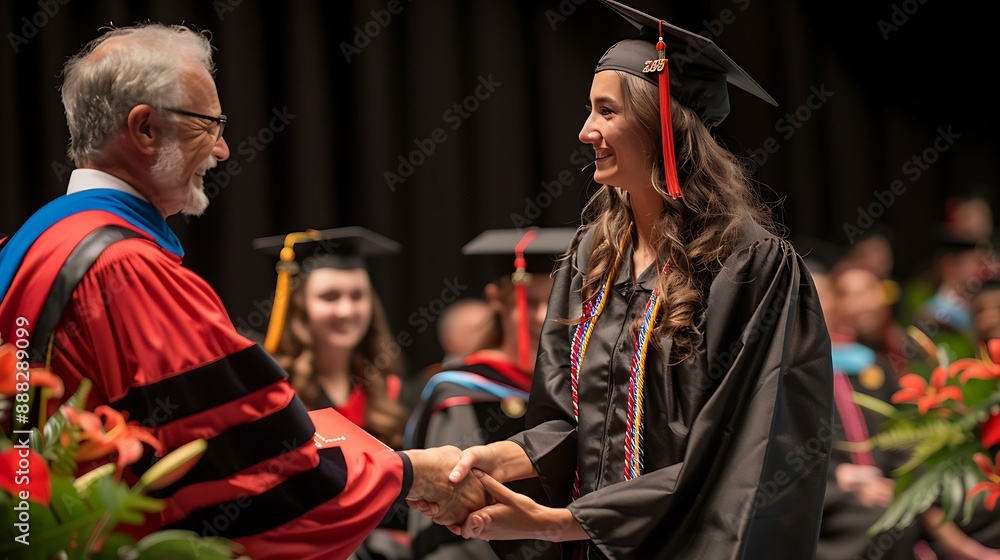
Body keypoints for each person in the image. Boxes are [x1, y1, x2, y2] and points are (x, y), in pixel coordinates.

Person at [0, 22, 485, 560]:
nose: (225, 150)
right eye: (208, 124)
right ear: (143, 130)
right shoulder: (126, 269)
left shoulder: (31, 242)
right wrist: (407, 471)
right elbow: (248, 476)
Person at [415, 2, 834, 557]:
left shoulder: (751, 268)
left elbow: (744, 458)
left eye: (606, 111)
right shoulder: (592, 260)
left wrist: (566, 522)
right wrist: (497, 459)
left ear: (663, 122)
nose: (587, 131)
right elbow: (570, 424)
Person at [405, 227, 575, 560]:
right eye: (532, 302)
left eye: (555, 301)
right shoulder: (460, 389)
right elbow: (451, 502)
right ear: (497, 299)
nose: (544, 316)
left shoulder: (581, 383)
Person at [253, 227, 410, 451]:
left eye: (357, 296)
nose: (346, 310)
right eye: (329, 297)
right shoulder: (276, 387)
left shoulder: (390, 388)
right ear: (300, 306)